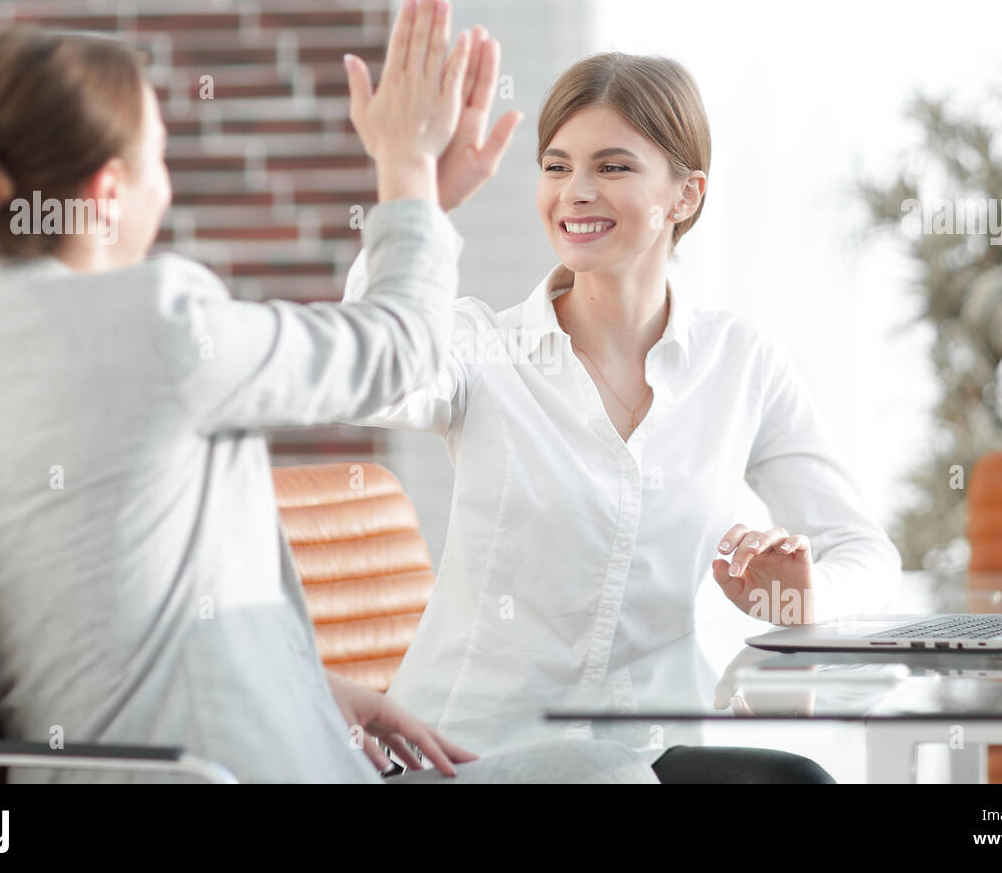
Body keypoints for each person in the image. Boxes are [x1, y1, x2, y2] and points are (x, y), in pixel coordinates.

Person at [0, 0, 656, 784]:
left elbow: (95, 620)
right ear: (108, 192)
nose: (169, 185)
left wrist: (314, 687)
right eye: (160, 156)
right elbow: (401, 353)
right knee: (609, 775)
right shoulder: (155, 319)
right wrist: (406, 173)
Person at [341, 50, 902, 783]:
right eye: (555, 166)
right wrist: (417, 201)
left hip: (648, 752)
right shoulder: (480, 348)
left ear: (686, 196)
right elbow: (368, 375)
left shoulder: (739, 360)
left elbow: (867, 553)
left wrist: (806, 597)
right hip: (466, 758)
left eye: (612, 167)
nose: (575, 191)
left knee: (794, 781)